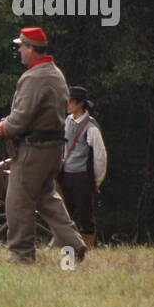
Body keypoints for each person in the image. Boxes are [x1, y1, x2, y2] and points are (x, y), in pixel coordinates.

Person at [0, 28, 86, 265]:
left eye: (21, 47)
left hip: (33, 149)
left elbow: (21, 117)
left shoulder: (34, 77)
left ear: (31, 48)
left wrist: (4, 127)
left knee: (18, 202)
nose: (19, 51)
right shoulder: (55, 73)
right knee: (47, 199)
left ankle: (21, 255)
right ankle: (73, 244)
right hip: (52, 148)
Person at [58, 86, 107, 247]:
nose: (67, 105)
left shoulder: (91, 127)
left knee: (85, 216)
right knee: (66, 216)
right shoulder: (68, 121)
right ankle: (69, 251)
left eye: (70, 102)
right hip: (66, 174)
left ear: (80, 104)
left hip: (82, 177)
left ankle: (89, 249)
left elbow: (100, 157)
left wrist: (96, 182)